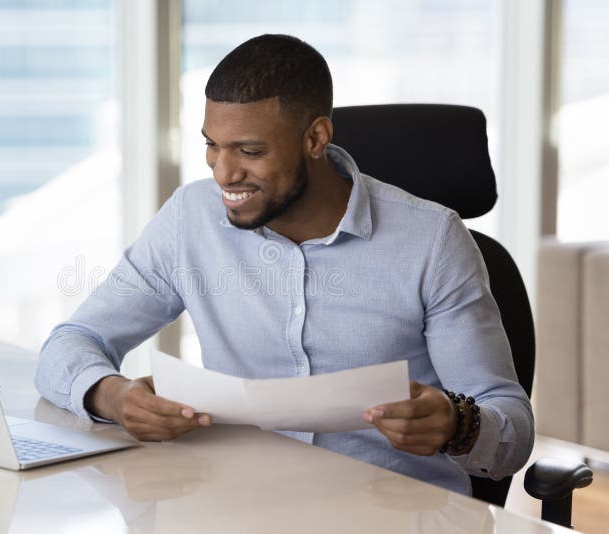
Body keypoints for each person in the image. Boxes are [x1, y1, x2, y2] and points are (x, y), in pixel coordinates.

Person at [35, 34, 533, 495]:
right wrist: (112, 396)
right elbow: (72, 342)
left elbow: (512, 426)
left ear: (315, 139)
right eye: (212, 144)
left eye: (250, 151)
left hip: (390, 509)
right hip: (238, 502)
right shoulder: (191, 219)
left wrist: (456, 423)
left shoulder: (433, 240)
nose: (224, 173)